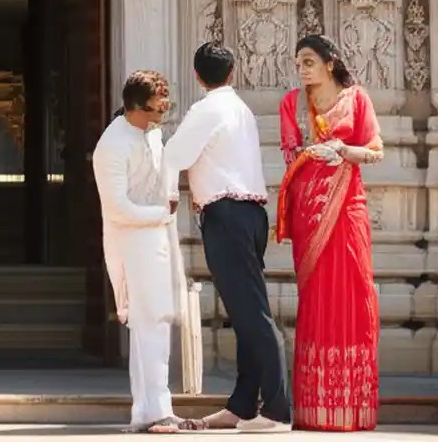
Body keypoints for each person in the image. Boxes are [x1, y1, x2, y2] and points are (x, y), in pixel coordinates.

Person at [162, 43, 292, 433]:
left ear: (197, 75)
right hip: (250, 214)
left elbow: (176, 155)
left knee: (252, 314)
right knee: (245, 312)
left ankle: (278, 407)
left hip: (227, 214)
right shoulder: (240, 109)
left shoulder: (207, 109)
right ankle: (243, 405)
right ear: (232, 73)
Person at [276, 34, 384, 432]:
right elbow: (290, 154)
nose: (302, 69)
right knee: (317, 296)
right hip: (308, 209)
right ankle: (316, 409)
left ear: (329, 63)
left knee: (353, 291)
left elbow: (375, 150)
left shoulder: (356, 99)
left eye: (308, 62)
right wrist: (310, 152)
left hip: (348, 206)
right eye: (298, 63)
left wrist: (342, 150)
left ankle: (352, 408)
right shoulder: (291, 103)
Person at [92, 70, 191, 434]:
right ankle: (156, 409)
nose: (160, 114)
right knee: (149, 324)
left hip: (157, 236)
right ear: (134, 107)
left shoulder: (153, 133)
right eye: (154, 109)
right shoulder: (112, 145)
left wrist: (169, 203)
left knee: (157, 322)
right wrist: (161, 215)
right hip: (132, 240)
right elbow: (117, 208)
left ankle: (148, 411)